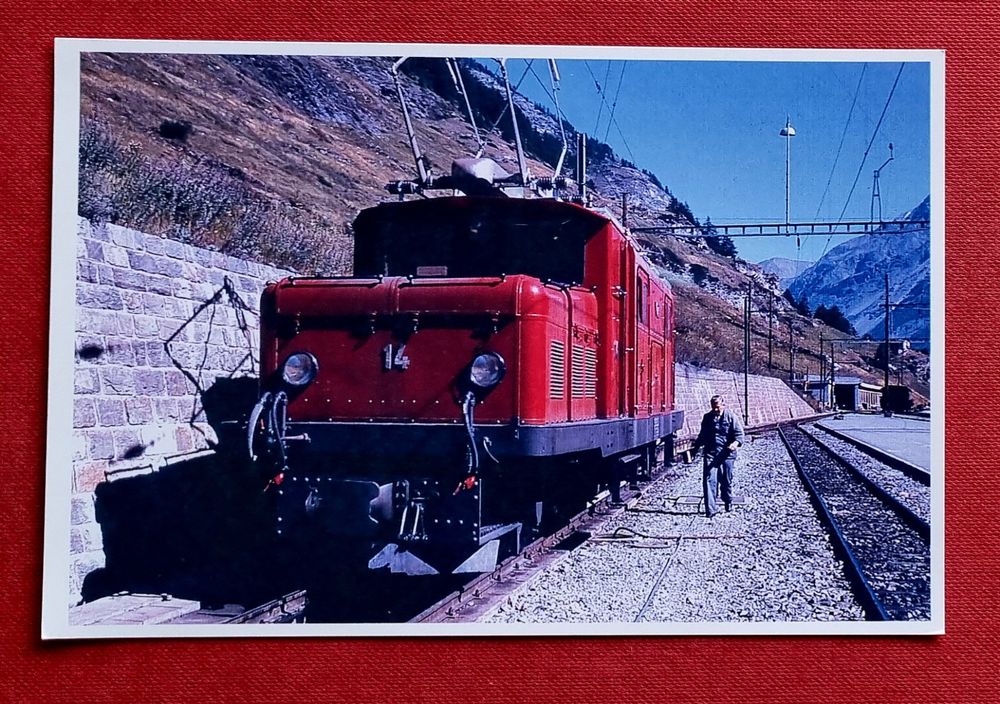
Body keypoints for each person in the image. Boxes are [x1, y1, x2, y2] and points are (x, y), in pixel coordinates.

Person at [690, 395, 745, 518]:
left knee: (726, 481)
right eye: (713, 407)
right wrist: (696, 448)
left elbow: (740, 435)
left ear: (723, 405)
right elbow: (702, 435)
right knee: (709, 481)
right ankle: (711, 510)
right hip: (711, 454)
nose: (715, 410)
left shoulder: (731, 417)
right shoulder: (707, 418)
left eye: (717, 407)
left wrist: (735, 444)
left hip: (727, 455)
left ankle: (728, 500)